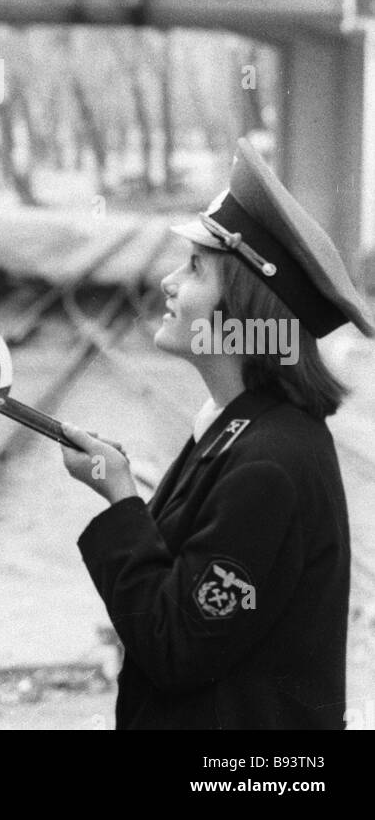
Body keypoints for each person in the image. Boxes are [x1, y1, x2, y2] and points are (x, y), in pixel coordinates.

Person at [62, 137, 374, 730]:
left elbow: (177, 644)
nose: (168, 283)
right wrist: (122, 486)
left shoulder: (267, 463)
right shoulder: (238, 428)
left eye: (196, 267)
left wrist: (123, 502)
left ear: (243, 310)